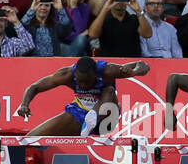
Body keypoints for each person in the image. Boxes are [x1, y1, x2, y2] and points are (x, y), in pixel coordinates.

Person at [16, 57, 150, 136]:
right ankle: (87, 123)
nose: (83, 85)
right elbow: (34, 87)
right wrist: (24, 104)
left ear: (96, 74)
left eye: (87, 81)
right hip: (79, 112)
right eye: (79, 81)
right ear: (75, 76)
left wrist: (134, 71)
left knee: (109, 90)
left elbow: (143, 65)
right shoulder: (66, 74)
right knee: (30, 138)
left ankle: (92, 118)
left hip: (107, 116)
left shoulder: (108, 71)